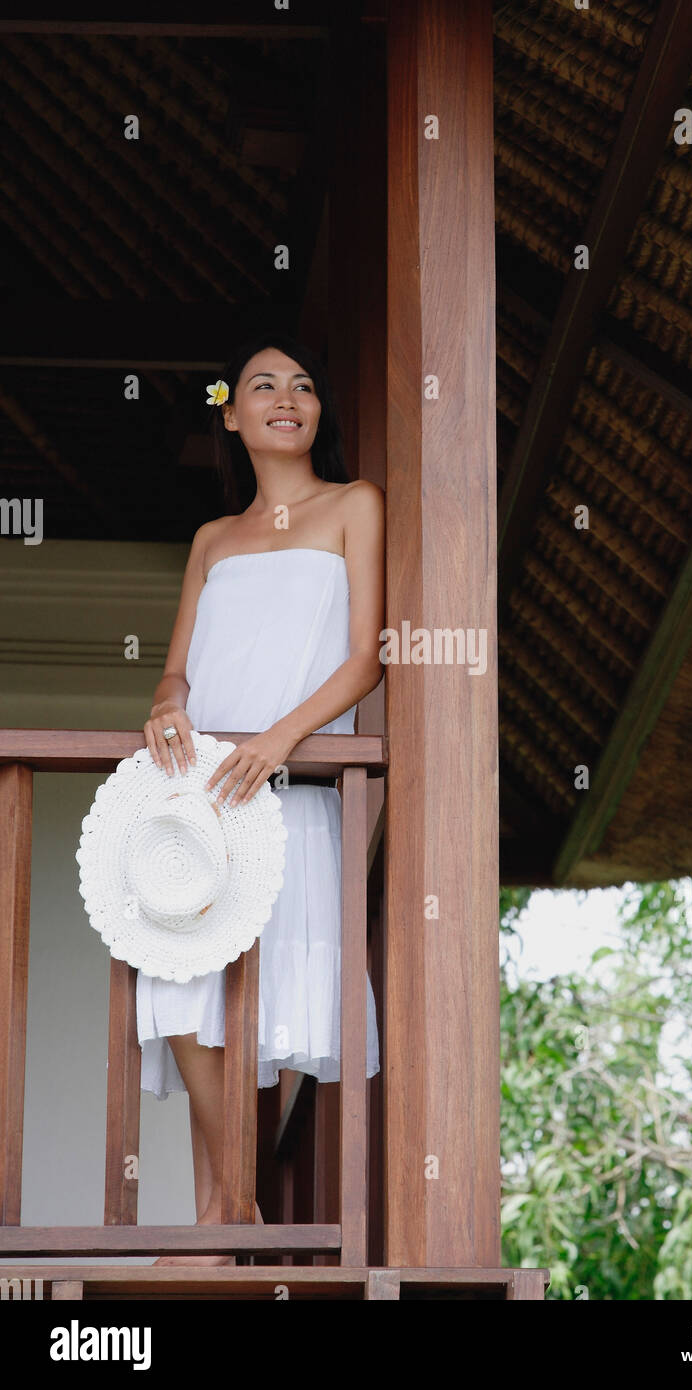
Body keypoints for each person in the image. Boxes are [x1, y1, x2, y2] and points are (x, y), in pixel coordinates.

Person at [137, 331, 384, 1266]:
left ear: (318, 414)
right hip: (198, 794)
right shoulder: (212, 540)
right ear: (231, 414)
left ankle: (216, 1225)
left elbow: (365, 656)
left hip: (290, 786)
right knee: (179, 986)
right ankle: (231, 1208)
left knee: (268, 996)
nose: (289, 396)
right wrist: (166, 704)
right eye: (264, 384)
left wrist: (281, 740)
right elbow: (174, 676)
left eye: (306, 384)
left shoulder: (354, 505)